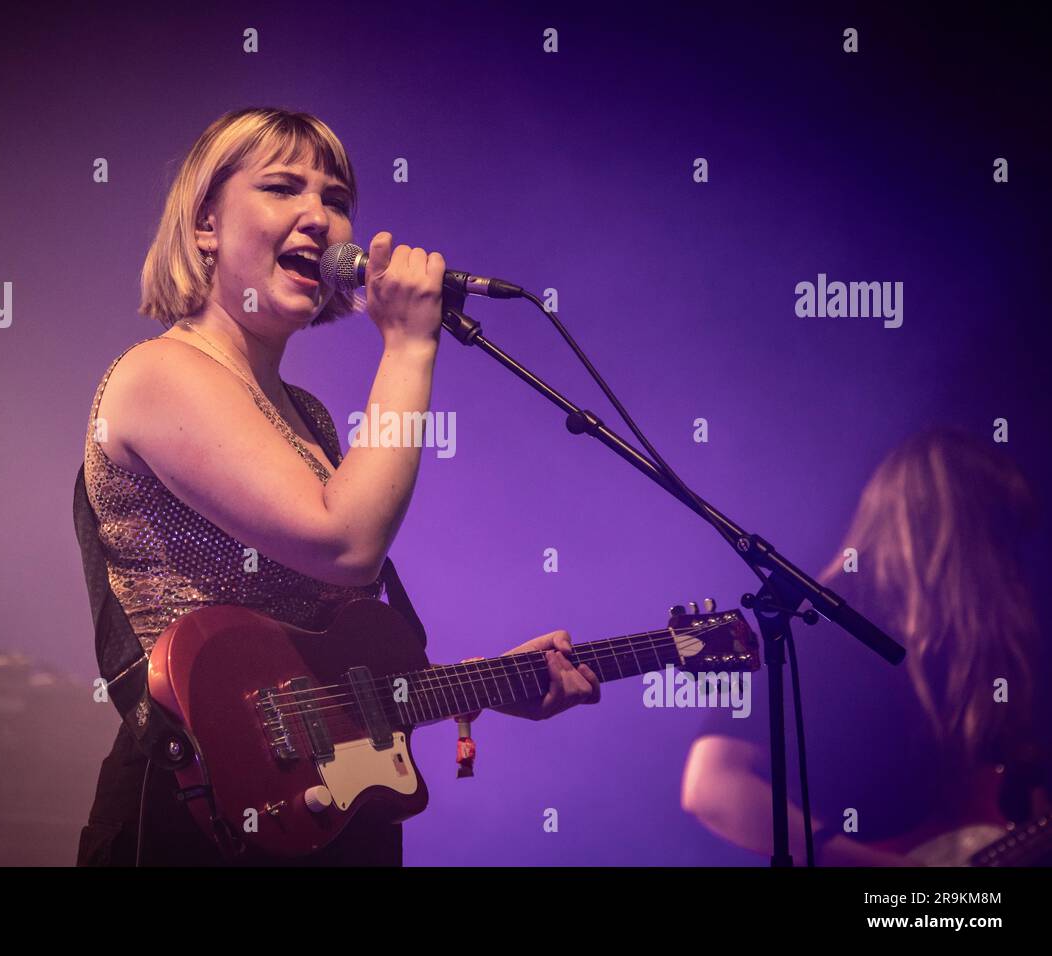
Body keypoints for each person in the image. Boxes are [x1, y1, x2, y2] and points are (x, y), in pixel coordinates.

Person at [76, 107, 600, 866]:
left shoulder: (307, 416)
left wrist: (485, 684)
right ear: (204, 226)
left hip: (314, 816)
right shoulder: (160, 374)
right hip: (196, 815)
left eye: (337, 199)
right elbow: (347, 542)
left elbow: (322, 663)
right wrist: (411, 346)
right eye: (283, 188)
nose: (319, 219)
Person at [681, 426, 1047, 865]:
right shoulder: (824, 629)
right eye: (999, 538)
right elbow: (712, 786)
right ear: (957, 532)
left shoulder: (964, 654)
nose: (1011, 564)